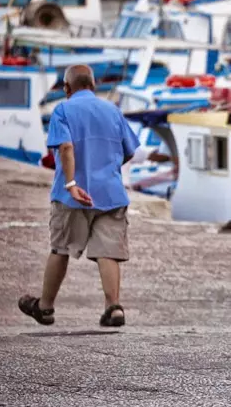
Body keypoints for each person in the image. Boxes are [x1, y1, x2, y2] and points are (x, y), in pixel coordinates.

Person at [18, 64, 140, 327]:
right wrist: (108, 170)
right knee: (108, 251)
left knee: (60, 248)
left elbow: (64, 147)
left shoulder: (63, 110)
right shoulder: (113, 111)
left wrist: (72, 183)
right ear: (93, 86)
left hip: (71, 196)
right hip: (110, 194)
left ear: (66, 88)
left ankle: (45, 307)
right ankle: (113, 307)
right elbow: (129, 151)